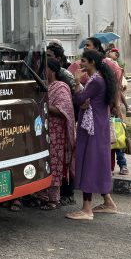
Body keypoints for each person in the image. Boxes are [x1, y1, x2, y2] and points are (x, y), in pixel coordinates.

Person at [66, 49, 119, 220]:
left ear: (92, 63)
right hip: (98, 126)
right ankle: (108, 202)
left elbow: (80, 99)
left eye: (83, 61)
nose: (80, 64)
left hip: (92, 128)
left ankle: (87, 209)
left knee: (88, 163)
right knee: (98, 163)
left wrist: (75, 82)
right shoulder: (98, 79)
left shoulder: (96, 81)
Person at [37, 58, 76, 209]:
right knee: (42, 163)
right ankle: (42, 196)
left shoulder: (61, 87)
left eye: (44, 68)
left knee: (54, 164)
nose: (42, 72)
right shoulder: (44, 85)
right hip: (42, 130)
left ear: (52, 70)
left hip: (56, 133)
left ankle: (54, 199)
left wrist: (43, 103)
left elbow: (62, 110)